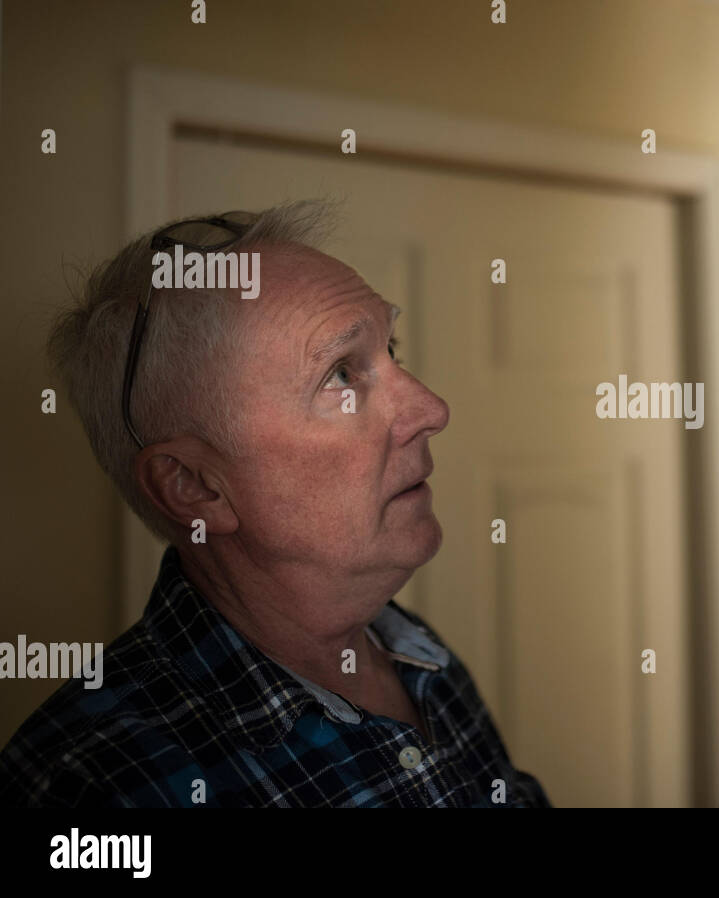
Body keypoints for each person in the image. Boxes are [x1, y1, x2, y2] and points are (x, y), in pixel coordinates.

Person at [0, 201, 549, 807]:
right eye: (340, 374)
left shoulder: (419, 658)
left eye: (391, 349)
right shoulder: (99, 787)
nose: (431, 410)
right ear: (196, 486)